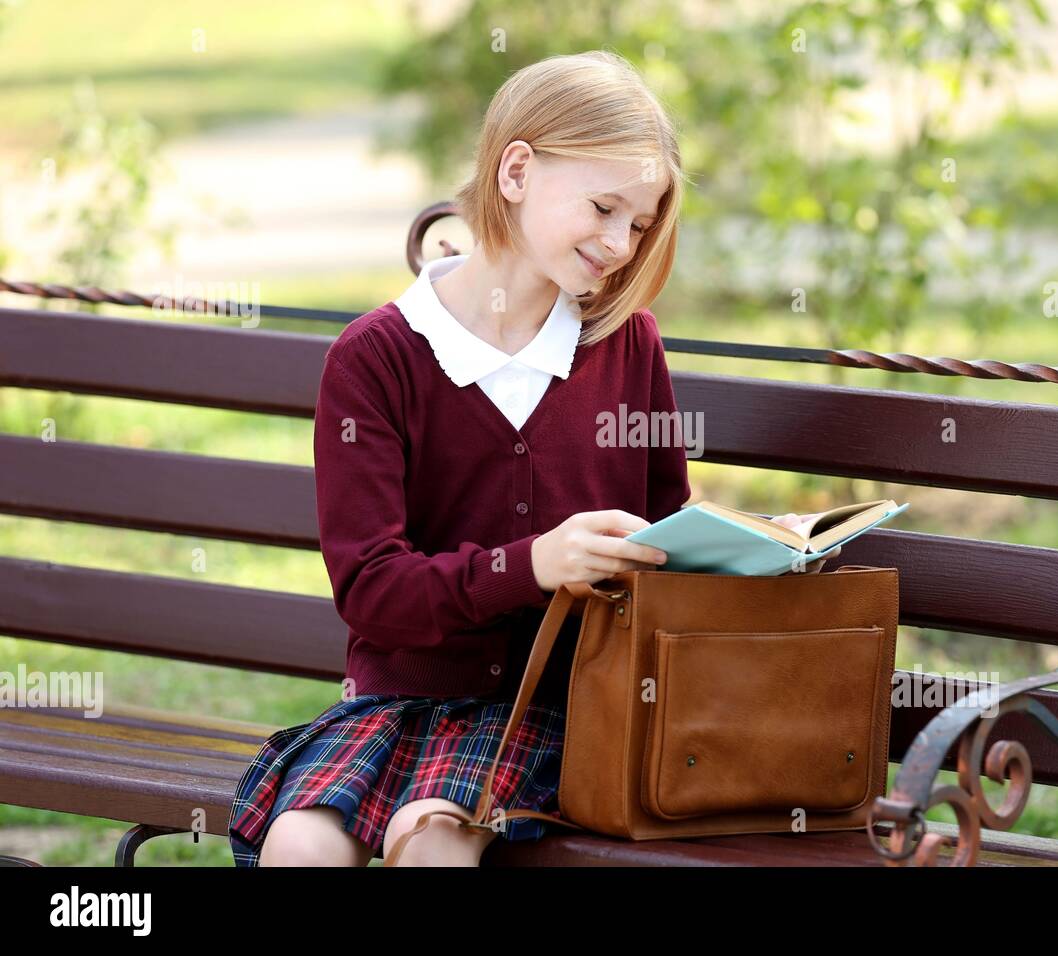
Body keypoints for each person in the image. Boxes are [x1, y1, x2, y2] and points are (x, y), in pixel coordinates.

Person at [227, 50, 832, 868]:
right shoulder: (376, 359)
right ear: (516, 170)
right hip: (399, 704)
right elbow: (371, 592)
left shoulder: (626, 348)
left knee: (432, 838)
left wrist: (747, 546)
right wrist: (534, 562)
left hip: (561, 709)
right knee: (299, 843)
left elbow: (663, 540)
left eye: (642, 223)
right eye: (604, 207)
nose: (621, 243)